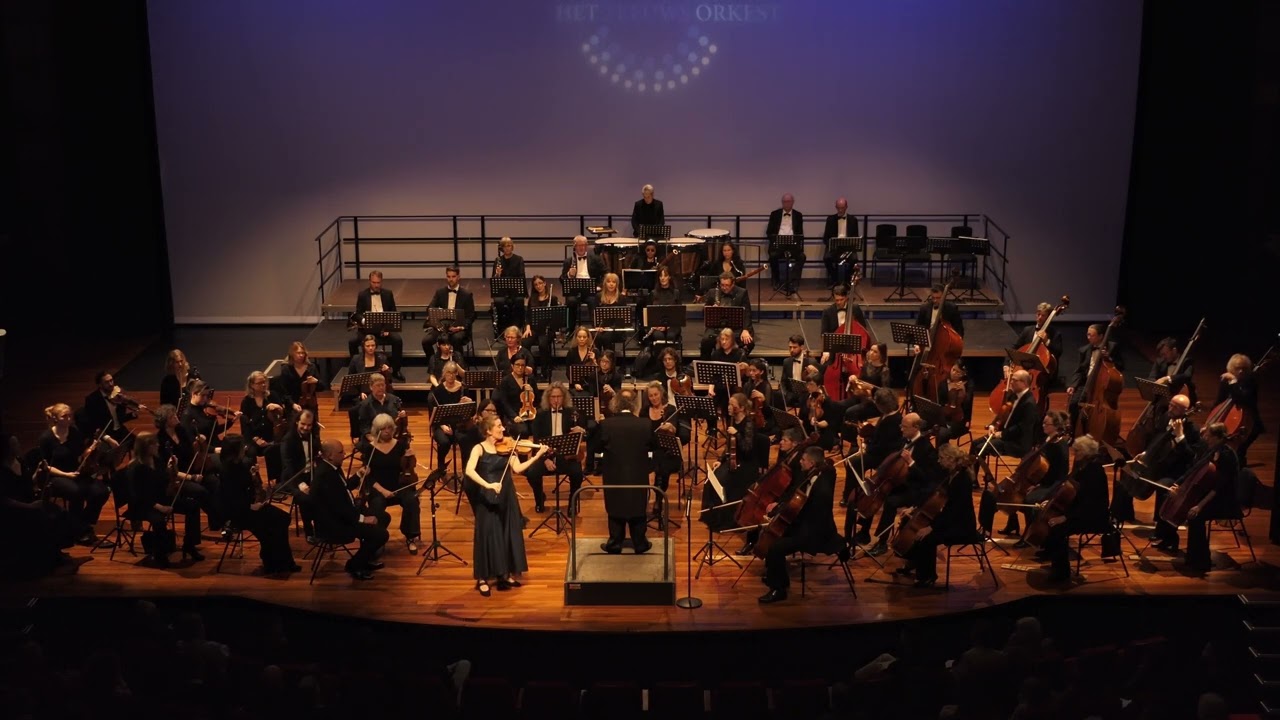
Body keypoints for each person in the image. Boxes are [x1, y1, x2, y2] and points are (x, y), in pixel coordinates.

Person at [464, 415, 548, 595]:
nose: (503, 429)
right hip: (487, 495)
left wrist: (538, 455)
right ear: (488, 430)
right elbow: (469, 470)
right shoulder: (478, 449)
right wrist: (488, 485)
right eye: (499, 426)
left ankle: (504, 573)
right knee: (488, 534)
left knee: (506, 533)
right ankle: (483, 577)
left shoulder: (508, 448)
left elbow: (517, 469)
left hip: (507, 494)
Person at [758, 446, 843, 603]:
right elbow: (797, 501)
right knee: (774, 535)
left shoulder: (822, 488)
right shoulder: (815, 474)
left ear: (811, 463)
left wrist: (787, 521)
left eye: (803, 459)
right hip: (807, 525)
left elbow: (812, 517)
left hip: (816, 533)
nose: (800, 462)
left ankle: (779, 590)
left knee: (775, 547)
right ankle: (775, 577)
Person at [305, 439, 388, 581]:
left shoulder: (331, 467)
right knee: (381, 535)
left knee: (384, 517)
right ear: (330, 455)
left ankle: (365, 557)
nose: (345, 454)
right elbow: (339, 508)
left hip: (344, 514)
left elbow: (343, 489)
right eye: (341, 452)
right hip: (335, 524)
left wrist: (359, 475)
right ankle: (354, 565)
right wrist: (363, 519)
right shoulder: (326, 475)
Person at [898, 444, 979, 588]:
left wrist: (931, 528)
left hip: (962, 526)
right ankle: (913, 563)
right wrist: (914, 508)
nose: (939, 461)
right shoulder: (952, 474)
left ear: (950, 459)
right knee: (916, 527)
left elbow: (954, 511)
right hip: (951, 520)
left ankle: (927, 577)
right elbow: (935, 497)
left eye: (941, 458)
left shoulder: (962, 480)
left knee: (926, 537)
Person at [216, 435, 298, 575]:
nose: (245, 448)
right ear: (235, 451)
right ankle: (272, 563)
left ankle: (284, 562)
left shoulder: (241, 464)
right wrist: (250, 506)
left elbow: (250, 488)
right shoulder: (227, 471)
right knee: (270, 527)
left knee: (283, 519)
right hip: (239, 512)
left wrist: (255, 477)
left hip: (250, 506)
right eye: (242, 447)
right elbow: (230, 498)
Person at [985, 410, 1070, 539]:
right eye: (1043, 423)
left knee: (1026, 500)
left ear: (1056, 427)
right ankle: (1012, 524)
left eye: (1046, 424)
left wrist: (1037, 485)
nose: (1043, 426)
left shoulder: (1060, 446)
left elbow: (1059, 474)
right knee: (1007, 493)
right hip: (1040, 481)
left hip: (1051, 484)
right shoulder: (1047, 439)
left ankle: (1028, 535)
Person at [125, 430, 204, 565]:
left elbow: (165, 479)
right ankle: (160, 556)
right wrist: (160, 507)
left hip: (161, 498)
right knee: (158, 520)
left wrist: (172, 468)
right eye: (154, 444)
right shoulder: (136, 467)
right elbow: (139, 495)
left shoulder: (156, 460)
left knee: (193, 506)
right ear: (146, 447)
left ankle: (189, 545)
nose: (157, 446)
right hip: (144, 505)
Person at [1038, 435, 1110, 583]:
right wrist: (1051, 502)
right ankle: (1052, 557)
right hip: (1079, 511)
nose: (1073, 454)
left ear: (1086, 453)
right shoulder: (1081, 466)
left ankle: (1061, 573)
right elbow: (1067, 488)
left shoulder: (1094, 472)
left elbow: (1089, 504)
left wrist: (1065, 517)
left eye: (1077, 451)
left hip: (1093, 516)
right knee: (1049, 519)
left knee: (1057, 528)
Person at [865, 413, 939, 557]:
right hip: (900, 482)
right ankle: (864, 532)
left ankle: (882, 542)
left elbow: (926, 478)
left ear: (916, 427)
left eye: (904, 426)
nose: (901, 429)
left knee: (890, 502)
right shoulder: (903, 441)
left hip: (914, 489)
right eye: (901, 425)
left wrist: (911, 463)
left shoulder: (926, 448)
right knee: (873, 495)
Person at [38, 403, 111, 545]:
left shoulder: (74, 432)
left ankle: (80, 525)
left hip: (76, 472)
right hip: (56, 476)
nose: (69, 418)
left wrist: (88, 452)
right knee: (76, 492)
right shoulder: (46, 438)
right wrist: (66, 475)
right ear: (55, 419)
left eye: (70, 415)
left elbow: (78, 456)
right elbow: (45, 466)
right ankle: (81, 531)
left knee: (101, 491)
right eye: (64, 416)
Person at [0, 433, 73, 576]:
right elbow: (4, 500)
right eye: (14, 445)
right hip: (12, 509)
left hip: (27, 503)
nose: (18, 447)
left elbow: (28, 483)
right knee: (44, 516)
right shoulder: (2, 469)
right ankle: (48, 561)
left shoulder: (19, 461)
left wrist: (38, 473)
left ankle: (56, 555)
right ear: (5, 448)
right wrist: (29, 507)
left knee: (57, 512)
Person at [1177, 422, 1239, 574]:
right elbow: (1194, 469)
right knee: (1190, 512)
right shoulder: (1211, 450)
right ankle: (1193, 558)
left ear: (1218, 438)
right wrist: (1179, 484)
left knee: (1196, 516)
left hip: (1224, 499)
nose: (1205, 438)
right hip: (1211, 495)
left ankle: (1202, 561)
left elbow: (1219, 487)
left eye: (1208, 436)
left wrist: (1199, 506)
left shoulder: (1227, 455)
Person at [598, 389, 653, 554]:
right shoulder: (645, 424)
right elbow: (652, 447)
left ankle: (615, 543)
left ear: (616, 404)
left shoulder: (606, 424)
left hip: (614, 474)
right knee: (638, 507)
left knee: (615, 507)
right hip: (638, 473)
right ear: (633, 405)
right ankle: (640, 543)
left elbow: (598, 448)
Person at [359, 413, 421, 554]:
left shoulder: (400, 445)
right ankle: (378, 538)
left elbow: (408, 467)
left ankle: (411, 537)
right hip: (379, 488)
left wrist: (411, 457)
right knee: (376, 505)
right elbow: (369, 477)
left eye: (389, 427)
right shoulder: (370, 448)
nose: (387, 431)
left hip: (399, 484)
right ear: (376, 430)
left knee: (412, 500)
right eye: (383, 428)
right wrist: (383, 491)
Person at [525, 383, 589, 514]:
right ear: (548, 398)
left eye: (559, 397)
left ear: (564, 398)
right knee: (531, 473)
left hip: (566, 455)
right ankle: (539, 499)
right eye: (553, 397)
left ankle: (572, 502)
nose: (556, 400)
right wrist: (545, 460)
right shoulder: (541, 415)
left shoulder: (572, 413)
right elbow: (536, 441)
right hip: (546, 455)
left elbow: (585, 435)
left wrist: (582, 431)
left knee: (577, 473)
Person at [644, 381, 688, 527]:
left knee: (662, 466)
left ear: (661, 394)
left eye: (656, 394)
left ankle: (658, 499)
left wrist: (669, 427)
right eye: (651, 396)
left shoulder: (671, 409)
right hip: (650, 450)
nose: (654, 398)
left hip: (668, 451)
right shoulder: (644, 411)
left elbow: (675, 430)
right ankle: (644, 501)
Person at [1066, 322, 1125, 432]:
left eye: (1091, 335)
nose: (1088, 337)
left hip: (1102, 385)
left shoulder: (1112, 347)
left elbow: (1121, 366)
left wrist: (1109, 358)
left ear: (1101, 336)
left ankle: (1097, 430)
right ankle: (1073, 432)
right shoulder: (1084, 350)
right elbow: (1079, 371)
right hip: (1086, 383)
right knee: (1074, 404)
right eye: (1087, 334)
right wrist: (1073, 386)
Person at [971, 369, 1039, 459]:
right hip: (1005, 435)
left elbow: (1022, 427)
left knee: (980, 449)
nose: (1011, 382)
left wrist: (1002, 434)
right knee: (974, 444)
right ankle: (969, 472)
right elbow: (1002, 414)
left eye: (1014, 380)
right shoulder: (1013, 395)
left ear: (1024, 383)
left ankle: (982, 473)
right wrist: (993, 425)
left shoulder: (1029, 403)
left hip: (1017, 442)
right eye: (1011, 380)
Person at [349, 270, 404, 381]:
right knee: (352, 342)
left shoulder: (388, 294)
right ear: (369, 281)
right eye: (374, 282)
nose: (376, 285)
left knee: (398, 340)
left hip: (384, 329)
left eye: (378, 282)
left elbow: (393, 312)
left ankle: (396, 370)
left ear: (381, 282)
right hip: (367, 330)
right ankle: (355, 370)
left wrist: (388, 328)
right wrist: (364, 321)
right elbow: (358, 313)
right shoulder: (362, 295)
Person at [279, 409, 321, 540]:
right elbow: (288, 466)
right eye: (303, 424)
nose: (306, 427)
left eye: (309, 425)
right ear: (297, 421)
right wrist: (300, 483)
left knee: (325, 491)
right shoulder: (288, 439)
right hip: (293, 478)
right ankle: (309, 531)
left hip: (311, 474)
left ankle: (323, 526)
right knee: (305, 498)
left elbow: (317, 453)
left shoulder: (313, 435)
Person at [238, 371, 287, 482]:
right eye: (260, 383)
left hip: (273, 435)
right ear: (252, 385)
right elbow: (245, 426)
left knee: (274, 449)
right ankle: (256, 483)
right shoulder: (246, 402)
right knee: (249, 452)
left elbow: (282, 417)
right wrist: (255, 439)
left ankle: (276, 481)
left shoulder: (273, 396)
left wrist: (279, 407)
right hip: (254, 438)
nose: (264, 385)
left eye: (264, 382)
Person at [1216, 353, 1263, 467]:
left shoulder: (1250, 382)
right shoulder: (1225, 381)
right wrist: (1211, 421)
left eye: (1244, 368)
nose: (1241, 371)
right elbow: (1219, 402)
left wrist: (1233, 382)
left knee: (1239, 451)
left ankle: (1239, 473)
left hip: (1249, 424)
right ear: (1231, 368)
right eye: (1238, 368)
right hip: (1232, 419)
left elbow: (1240, 399)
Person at [429, 361, 472, 473]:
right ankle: (441, 465)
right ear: (444, 374)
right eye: (448, 373)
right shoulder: (438, 390)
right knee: (444, 442)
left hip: (459, 425)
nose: (451, 376)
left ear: (456, 373)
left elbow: (470, 413)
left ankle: (465, 469)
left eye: (453, 373)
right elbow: (434, 415)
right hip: (441, 425)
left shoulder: (463, 388)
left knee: (465, 440)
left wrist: (469, 402)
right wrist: (442, 426)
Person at [699, 272, 755, 358]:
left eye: (727, 285)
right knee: (706, 341)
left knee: (749, 342)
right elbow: (704, 313)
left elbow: (747, 313)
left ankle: (736, 359)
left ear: (733, 284)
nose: (724, 288)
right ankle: (706, 365)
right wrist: (711, 309)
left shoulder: (742, 293)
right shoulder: (712, 293)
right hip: (716, 327)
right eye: (722, 285)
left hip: (735, 328)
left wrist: (745, 329)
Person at [422, 266, 475, 353]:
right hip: (442, 328)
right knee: (426, 342)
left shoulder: (466, 295)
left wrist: (460, 327)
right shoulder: (440, 292)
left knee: (456, 339)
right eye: (448, 276)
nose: (451, 279)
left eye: (453, 276)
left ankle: (458, 363)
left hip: (458, 328)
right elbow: (430, 308)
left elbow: (471, 316)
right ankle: (434, 363)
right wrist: (438, 312)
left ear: (458, 277)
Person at [354, 374, 404, 458]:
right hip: (373, 436)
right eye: (377, 385)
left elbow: (398, 420)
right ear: (371, 387)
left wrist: (402, 416)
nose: (381, 388)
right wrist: (376, 441)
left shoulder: (394, 399)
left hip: (392, 435)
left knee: (402, 445)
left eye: (383, 385)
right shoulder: (365, 404)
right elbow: (365, 428)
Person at [560, 235, 607, 326]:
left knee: (593, 300)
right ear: (574, 246)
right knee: (571, 301)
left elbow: (606, 273)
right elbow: (562, 279)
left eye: (583, 245)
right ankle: (570, 329)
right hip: (574, 291)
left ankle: (596, 328)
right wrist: (569, 275)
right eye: (579, 245)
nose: (581, 247)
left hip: (591, 291)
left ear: (587, 246)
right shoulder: (568, 261)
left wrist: (600, 286)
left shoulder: (596, 259)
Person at [765, 193, 805, 296]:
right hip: (778, 244)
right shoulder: (774, 214)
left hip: (793, 244)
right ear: (782, 203)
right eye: (784, 202)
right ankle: (777, 280)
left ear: (793, 202)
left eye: (788, 201)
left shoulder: (798, 215)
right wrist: (775, 239)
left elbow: (800, 233)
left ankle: (792, 281)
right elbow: (769, 232)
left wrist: (796, 241)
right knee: (773, 256)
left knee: (802, 257)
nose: (786, 204)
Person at [521, 275, 560, 380]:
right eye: (536, 284)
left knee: (543, 344)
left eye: (540, 283)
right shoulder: (532, 299)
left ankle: (544, 371)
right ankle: (530, 369)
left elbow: (556, 317)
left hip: (547, 330)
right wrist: (528, 328)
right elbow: (528, 316)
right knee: (524, 342)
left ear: (544, 283)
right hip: (534, 329)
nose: (538, 286)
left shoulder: (553, 299)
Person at [82, 370, 138, 442]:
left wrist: (133, 414)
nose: (111, 384)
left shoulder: (118, 394)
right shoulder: (92, 399)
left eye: (111, 380)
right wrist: (107, 438)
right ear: (100, 385)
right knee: (114, 451)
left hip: (120, 430)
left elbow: (120, 418)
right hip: (105, 434)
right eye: (106, 382)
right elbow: (93, 423)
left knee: (140, 445)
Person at [274, 342, 325, 415]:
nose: (301, 355)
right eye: (298, 353)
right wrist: (293, 404)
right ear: (292, 354)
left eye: (303, 353)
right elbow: (283, 392)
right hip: (293, 405)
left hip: (311, 404)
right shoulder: (286, 369)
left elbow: (322, 387)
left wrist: (316, 381)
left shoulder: (312, 367)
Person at [821, 197, 860, 290]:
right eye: (838, 207)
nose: (840, 210)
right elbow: (825, 238)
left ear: (846, 207)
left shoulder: (853, 220)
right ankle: (836, 280)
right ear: (835, 207)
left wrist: (851, 244)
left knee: (854, 258)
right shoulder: (830, 219)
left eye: (842, 207)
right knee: (827, 258)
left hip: (848, 248)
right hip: (834, 248)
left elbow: (855, 237)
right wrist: (831, 244)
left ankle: (846, 280)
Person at [1151, 335, 1196, 405]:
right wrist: (1154, 384)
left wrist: (1167, 378)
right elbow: (1152, 377)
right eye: (1161, 355)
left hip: (1182, 398)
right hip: (1163, 398)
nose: (1163, 357)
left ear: (1174, 351)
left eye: (1165, 354)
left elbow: (1187, 375)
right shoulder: (1159, 362)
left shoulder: (1187, 361)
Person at [345, 335, 391, 402]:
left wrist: (387, 371)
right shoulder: (356, 359)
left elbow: (388, 380)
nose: (370, 348)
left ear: (376, 346)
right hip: (363, 393)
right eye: (368, 346)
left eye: (373, 345)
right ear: (363, 347)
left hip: (379, 392)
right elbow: (351, 380)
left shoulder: (382, 358)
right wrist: (360, 393)